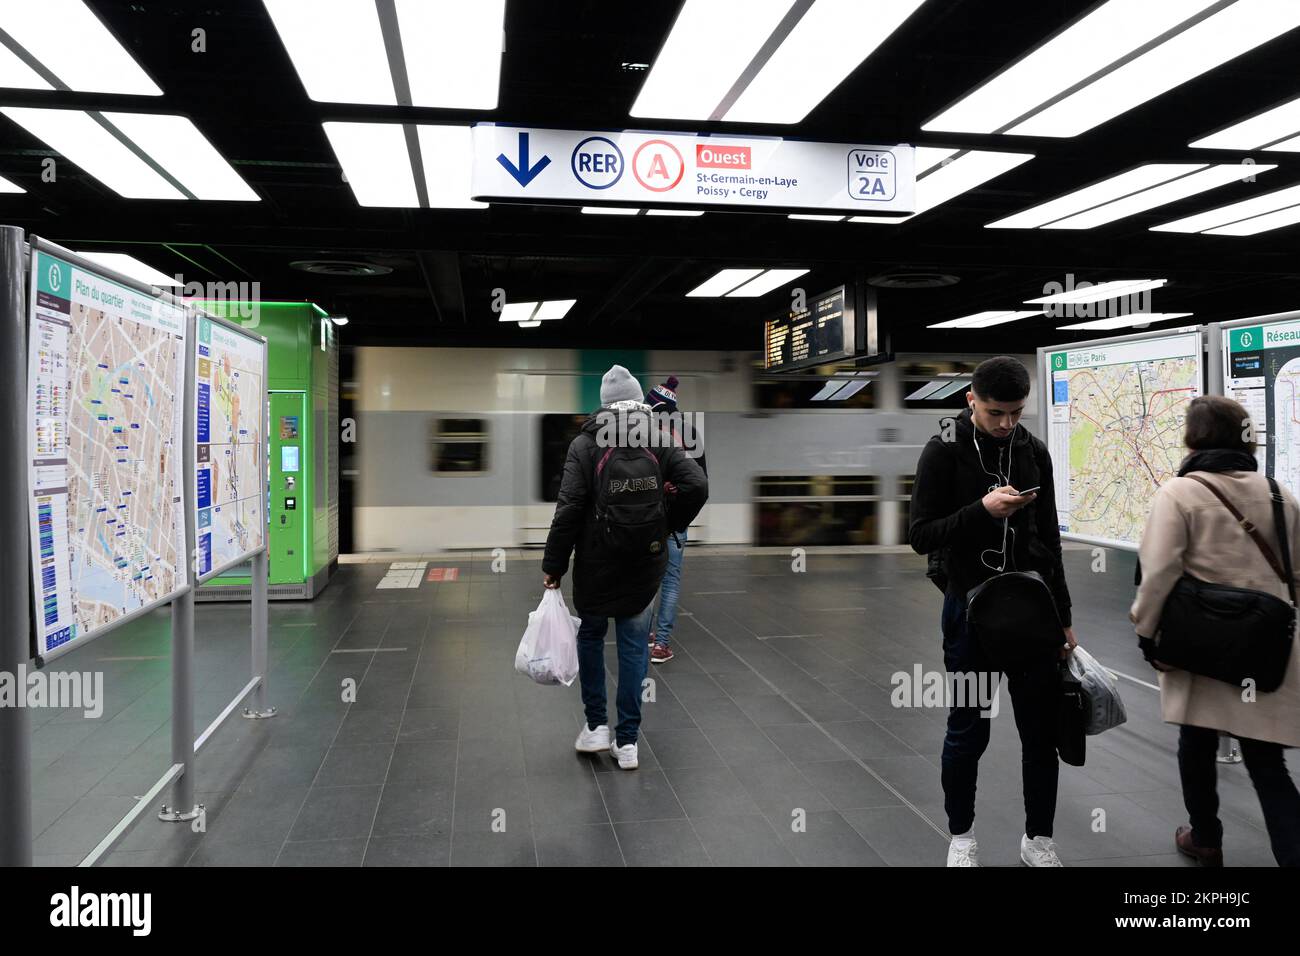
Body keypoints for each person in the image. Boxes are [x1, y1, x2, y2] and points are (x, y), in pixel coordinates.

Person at [909, 356, 1076, 867]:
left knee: (1039, 733)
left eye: (1016, 413)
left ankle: (1039, 838)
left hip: (1033, 617)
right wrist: (980, 511)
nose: (1006, 424)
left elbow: (1050, 540)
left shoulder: (1035, 452)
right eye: (995, 413)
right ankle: (961, 836)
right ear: (971, 401)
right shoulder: (942, 453)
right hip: (969, 616)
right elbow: (920, 536)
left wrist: (1064, 617)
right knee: (967, 729)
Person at [1131, 395, 1300, 867]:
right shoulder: (1277, 494)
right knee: (1268, 765)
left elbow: (1158, 571)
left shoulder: (1180, 493)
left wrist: (1147, 634)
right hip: (1263, 647)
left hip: (1199, 640)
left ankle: (1205, 838)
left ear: (1193, 438)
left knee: (1197, 740)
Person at [541, 365, 707, 769]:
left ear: (605, 404)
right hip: (644, 563)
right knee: (634, 648)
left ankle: (596, 727)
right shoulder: (659, 437)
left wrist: (554, 565)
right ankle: (628, 742)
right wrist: (669, 523)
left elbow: (569, 510)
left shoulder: (585, 443)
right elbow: (697, 486)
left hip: (596, 564)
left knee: (592, 637)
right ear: (636, 400)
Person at [644, 376, 708, 664]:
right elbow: (700, 484)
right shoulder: (690, 433)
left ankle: (643, 633)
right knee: (670, 582)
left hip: (646, 520)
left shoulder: (642, 434)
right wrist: (681, 519)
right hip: (675, 522)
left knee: (645, 579)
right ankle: (662, 644)